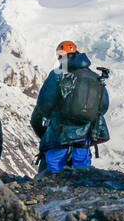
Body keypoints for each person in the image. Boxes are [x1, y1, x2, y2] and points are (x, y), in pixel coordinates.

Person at [30, 40, 110, 173]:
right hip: (84, 135)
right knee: (82, 171)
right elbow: (103, 106)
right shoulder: (95, 77)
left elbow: (44, 104)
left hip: (60, 134)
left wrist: (51, 118)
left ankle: (53, 191)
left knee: (54, 170)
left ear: (61, 56)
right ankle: (83, 191)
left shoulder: (58, 74)